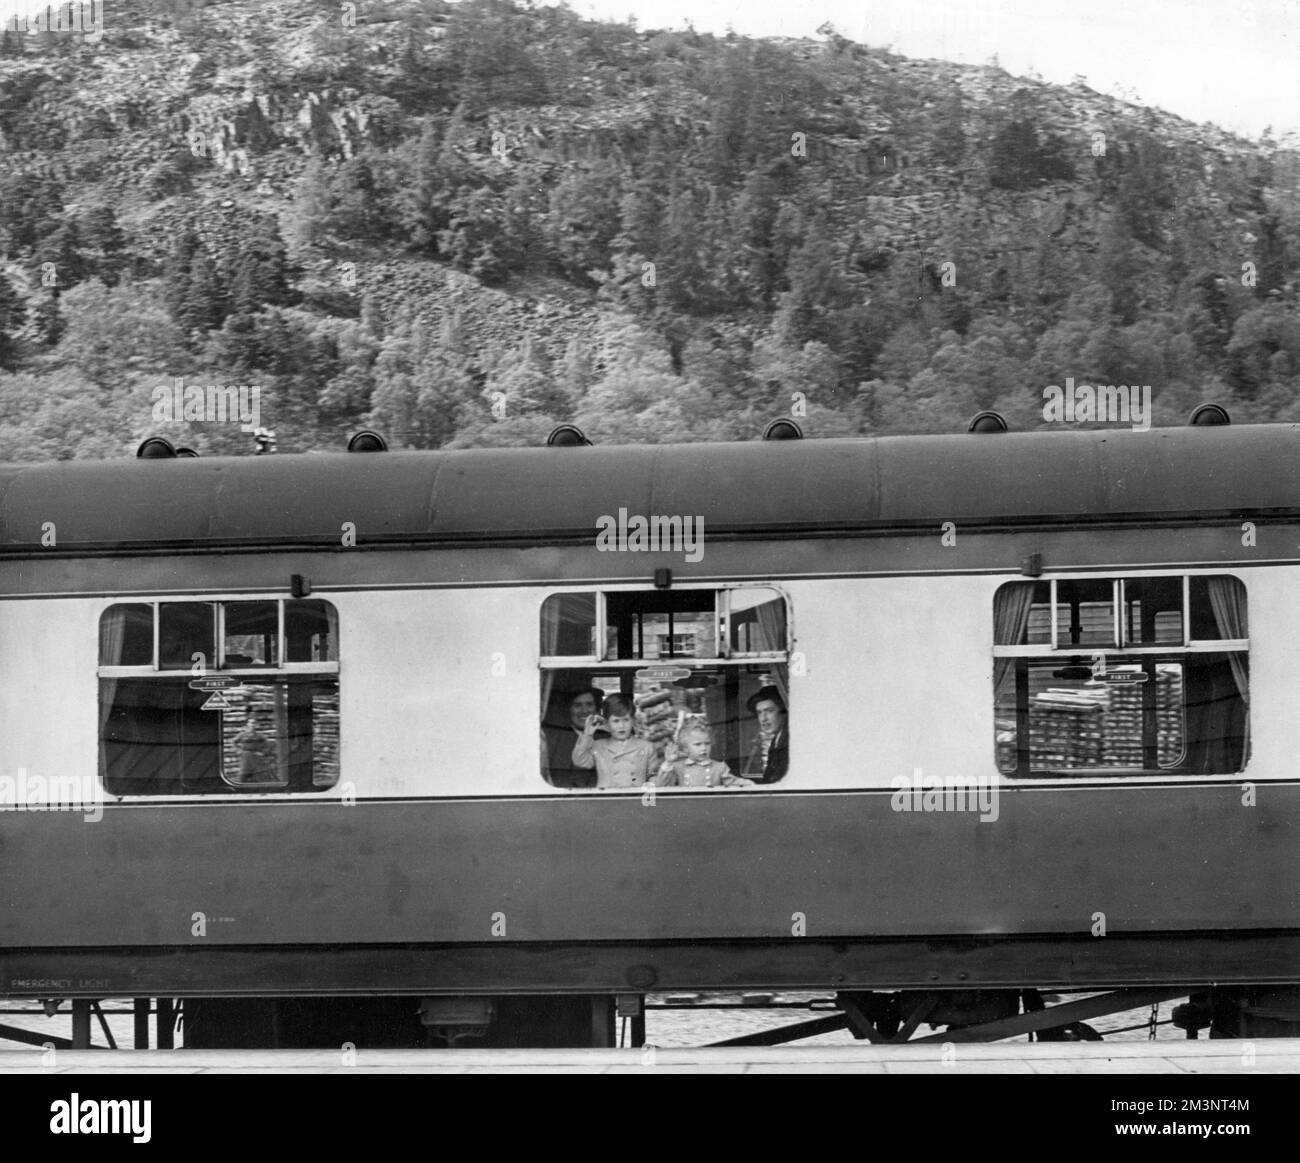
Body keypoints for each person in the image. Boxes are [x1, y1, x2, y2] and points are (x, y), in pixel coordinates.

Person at [572, 694, 658, 789]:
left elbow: (653, 778)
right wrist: (587, 734)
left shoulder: (646, 747)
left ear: (633, 721)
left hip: (635, 799)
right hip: (606, 799)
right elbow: (579, 761)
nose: (621, 726)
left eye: (626, 720)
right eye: (616, 721)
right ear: (607, 723)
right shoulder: (598, 745)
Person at [658, 723, 752, 789]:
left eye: (707, 743)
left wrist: (752, 785)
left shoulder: (719, 767)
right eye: (698, 744)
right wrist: (668, 762)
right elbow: (663, 785)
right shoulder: (677, 768)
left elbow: (734, 783)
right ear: (686, 748)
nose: (704, 748)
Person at [541, 686, 601, 788]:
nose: (584, 710)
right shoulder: (554, 739)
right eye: (577, 705)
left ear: (596, 708)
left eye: (589, 704)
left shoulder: (606, 736)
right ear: (568, 709)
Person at [743, 685, 788, 783]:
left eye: (770, 711)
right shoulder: (777, 740)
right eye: (759, 712)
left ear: (784, 712)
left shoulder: (790, 740)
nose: (763, 718)